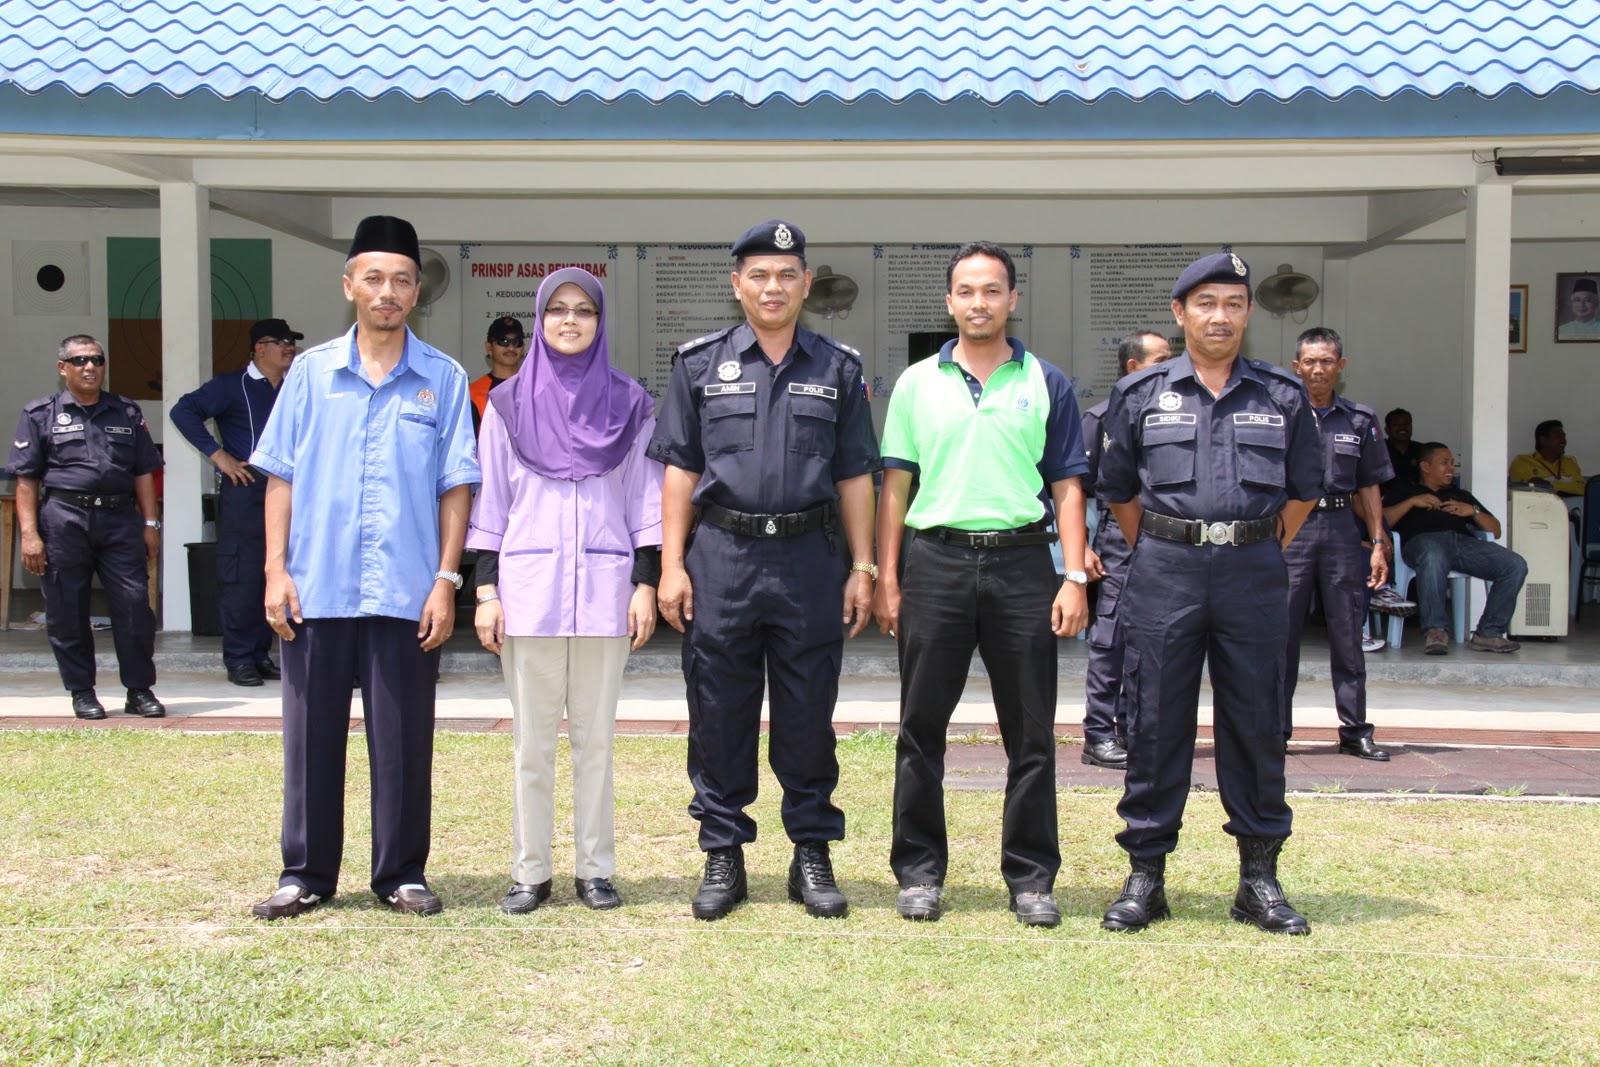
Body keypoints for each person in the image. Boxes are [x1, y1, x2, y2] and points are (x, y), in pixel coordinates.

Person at [247, 215, 480, 920]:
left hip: (407, 594)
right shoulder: (312, 374)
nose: (388, 291)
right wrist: (275, 571)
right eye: (374, 278)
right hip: (317, 589)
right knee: (310, 739)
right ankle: (306, 873)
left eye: (402, 280)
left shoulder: (442, 378)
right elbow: (279, 476)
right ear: (349, 284)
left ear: (417, 292)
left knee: (405, 740)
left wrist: (446, 579)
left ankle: (401, 872)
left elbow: (456, 486)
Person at [648, 219, 881, 922]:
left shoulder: (837, 368)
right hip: (721, 558)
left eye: (787, 274)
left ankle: (811, 848)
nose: (773, 287)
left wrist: (862, 563)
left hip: (811, 557)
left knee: (809, 709)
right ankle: (724, 850)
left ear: (806, 283)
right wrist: (669, 566)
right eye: (759, 274)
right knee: (718, 706)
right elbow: (680, 472)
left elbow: (855, 477)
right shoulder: (697, 364)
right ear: (737, 285)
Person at [1096, 252, 1323, 936]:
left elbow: (1305, 491)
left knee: (1255, 720)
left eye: (1232, 303)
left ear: (1248, 313)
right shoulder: (1140, 395)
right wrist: (1173, 544)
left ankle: (1259, 877)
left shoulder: (1282, 396)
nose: (1219, 315)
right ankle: (1146, 874)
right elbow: (1121, 494)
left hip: (1253, 570)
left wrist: (1247, 541)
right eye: (1205, 303)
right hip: (1164, 569)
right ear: (1180, 313)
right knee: (1155, 718)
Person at [872, 242, 1088, 927]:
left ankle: (1030, 877)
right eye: (966, 291)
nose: (979, 302)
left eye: (992, 290)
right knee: (919, 727)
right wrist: (885, 576)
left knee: (1031, 731)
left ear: (1013, 299)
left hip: (1025, 565)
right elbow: (894, 488)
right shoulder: (915, 384)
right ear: (949, 301)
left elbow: (1068, 486)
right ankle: (918, 871)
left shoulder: (1045, 382)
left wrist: (1074, 574)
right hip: (934, 561)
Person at [468, 268, 663, 914]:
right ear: (539, 321)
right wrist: (486, 589)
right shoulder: (505, 406)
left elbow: (645, 499)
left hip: (606, 589)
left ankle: (595, 869)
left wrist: (645, 581)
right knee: (532, 741)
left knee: (596, 739)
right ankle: (531, 871)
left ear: (601, 322)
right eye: (557, 310)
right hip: (528, 591)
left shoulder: (630, 403)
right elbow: (490, 501)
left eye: (583, 310)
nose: (570, 320)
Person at [6, 335, 165, 720]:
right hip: (64, 520)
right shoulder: (40, 413)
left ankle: (139, 690)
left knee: (133, 607)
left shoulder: (125, 411)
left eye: (96, 359)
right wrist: (30, 534)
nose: (90, 367)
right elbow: (26, 480)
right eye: (79, 361)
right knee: (66, 609)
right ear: (63, 368)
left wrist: (150, 522)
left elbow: (144, 470)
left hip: (119, 521)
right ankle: (82, 691)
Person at [169, 318, 302, 686]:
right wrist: (219, 456)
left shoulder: (297, 386)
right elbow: (183, 411)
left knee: (279, 573)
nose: (289, 347)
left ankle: (262, 655)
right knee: (242, 575)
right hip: (248, 490)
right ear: (260, 348)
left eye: (292, 342)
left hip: (293, 492)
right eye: (282, 342)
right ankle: (240, 658)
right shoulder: (232, 385)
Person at [1282, 327, 1393, 761]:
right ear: (1297, 367)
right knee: (1281, 635)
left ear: (1340, 367)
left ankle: (1355, 730)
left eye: (1327, 361)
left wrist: (1379, 542)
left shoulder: (1359, 419)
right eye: (1309, 361)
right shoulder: (1281, 415)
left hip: (1342, 530)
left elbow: (1369, 487)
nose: (1318, 369)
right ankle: (1276, 731)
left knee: (1349, 633)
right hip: (1292, 530)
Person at [1079, 329, 1172, 770]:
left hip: (1166, 538)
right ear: (1134, 368)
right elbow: (1072, 487)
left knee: (1154, 637)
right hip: (1118, 538)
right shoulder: (1100, 420)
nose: (1170, 368)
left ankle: (1134, 730)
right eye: (1161, 360)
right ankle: (1099, 734)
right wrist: (1080, 545)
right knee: (1111, 637)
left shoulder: (1174, 416)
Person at [1383, 442, 1527, 656]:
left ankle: (1488, 632)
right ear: (1425, 466)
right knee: (1433, 555)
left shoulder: (1460, 495)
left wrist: (1473, 511)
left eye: (1452, 463)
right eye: (1444, 463)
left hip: (1462, 544)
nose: (1451, 468)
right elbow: (1383, 521)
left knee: (1515, 565)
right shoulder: (1405, 490)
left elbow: (1495, 530)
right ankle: (1436, 630)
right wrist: (1412, 502)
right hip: (1422, 543)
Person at [470, 316, 527, 436]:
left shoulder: (536, 389)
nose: (511, 347)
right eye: (503, 341)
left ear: (523, 347)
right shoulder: (473, 393)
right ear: (489, 347)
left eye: (517, 342)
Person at [1508, 420, 1584, 496]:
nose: (1563, 441)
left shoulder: (1569, 463)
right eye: (1558, 436)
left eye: (1564, 436)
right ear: (1543, 440)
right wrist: (1566, 486)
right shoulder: (1522, 462)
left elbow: (1583, 489)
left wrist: (1549, 484)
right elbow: (1526, 489)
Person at [1382, 408, 1420, 489]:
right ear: (1387, 430)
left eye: (1406, 424)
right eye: (1396, 425)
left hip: (1419, 497)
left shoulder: (1422, 450)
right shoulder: (1377, 450)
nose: (1402, 428)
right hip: (1386, 499)